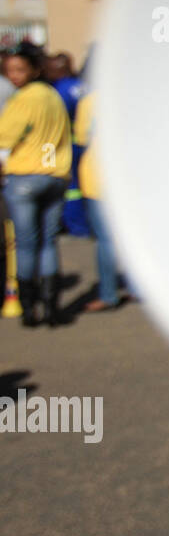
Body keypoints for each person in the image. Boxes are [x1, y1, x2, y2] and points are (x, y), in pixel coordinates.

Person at [0, 43, 73, 326]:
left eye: (19, 69)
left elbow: (4, 137)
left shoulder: (24, 100)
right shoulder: (53, 97)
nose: (14, 76)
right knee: (48, 243)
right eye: (9, 71)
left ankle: (29, 310)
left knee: (27, 245)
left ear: (34, 69)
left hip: (25, 178)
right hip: (55, 175)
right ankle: (52, 308)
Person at [72, 76, 127, 311]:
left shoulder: (90, 101)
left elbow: (81, 139)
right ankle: (135, 288)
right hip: (127, 177)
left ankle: (108, 294)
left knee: (106, 239)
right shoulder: (130, 98)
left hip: (97, 176)